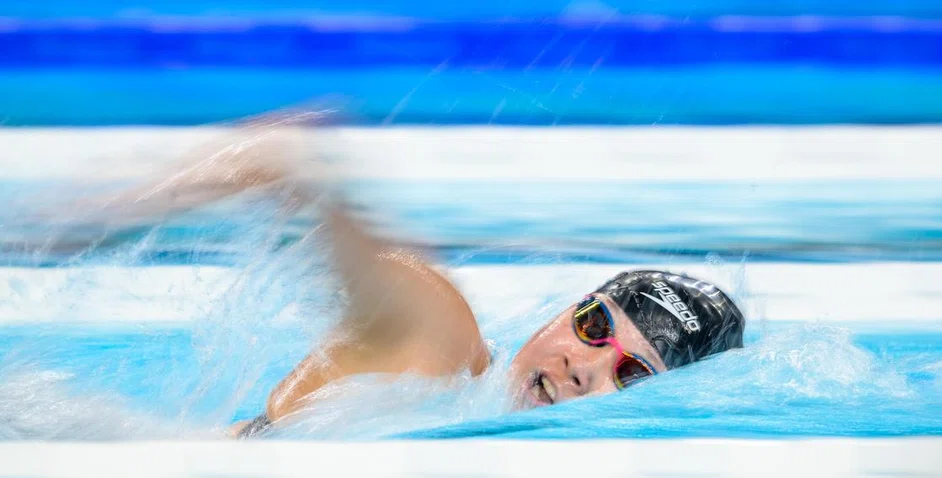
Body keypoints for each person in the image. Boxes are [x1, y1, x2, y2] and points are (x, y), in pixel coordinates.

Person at [88, 114, 745, 438]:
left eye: (631, 375)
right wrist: (104, 211)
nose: (584, 367)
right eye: (593, 327)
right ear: (561, 312)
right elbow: (290, 165)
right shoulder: (438, 343)